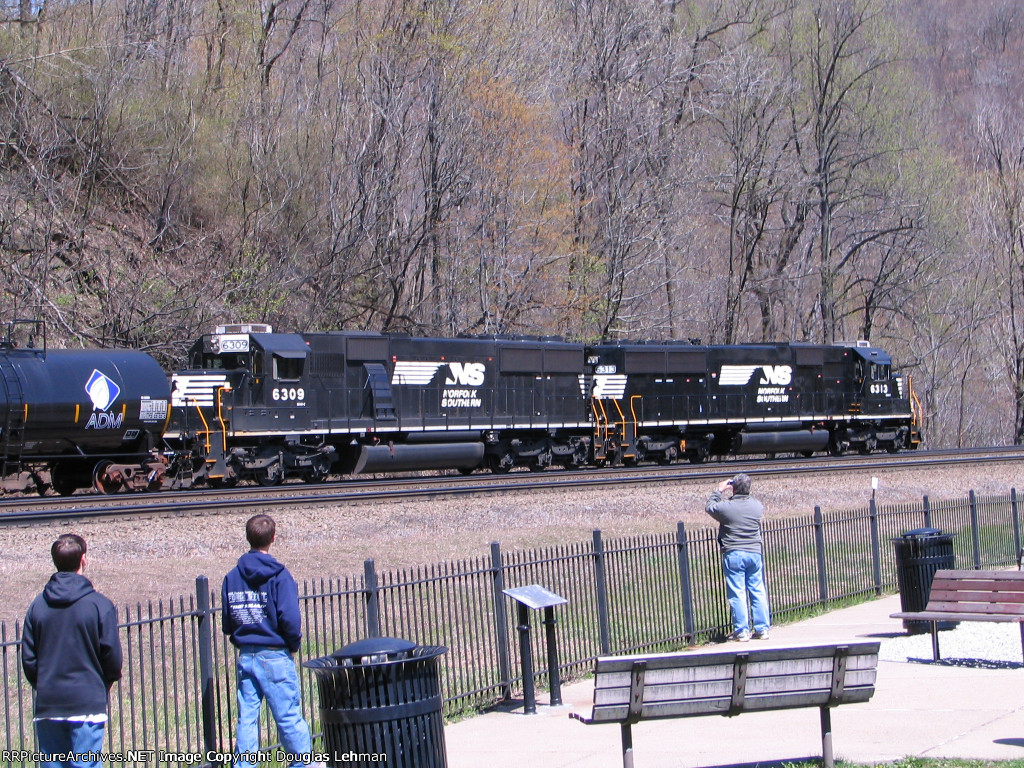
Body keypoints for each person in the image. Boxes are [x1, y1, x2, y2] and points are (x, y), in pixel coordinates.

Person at [21, 534, 123, 768]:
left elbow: (29, 659)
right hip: (87, 704)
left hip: (49, 705)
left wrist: (46, 683)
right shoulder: (99, 605)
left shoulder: (38, 606)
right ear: (83, 560)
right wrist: (105, 682)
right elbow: (111, 656)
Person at [222, 514, 313, 768]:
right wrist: (293, 645)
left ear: (247, 537)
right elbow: (290, 619)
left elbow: (228, 620)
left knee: (247, 718)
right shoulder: (280, 576)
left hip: (246, 655)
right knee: (287, 716)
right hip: (274, 654)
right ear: (273, 538)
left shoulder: (232, 576)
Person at [705, 473, 771, 642]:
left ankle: (741, 630)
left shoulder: (726, 507)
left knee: (738, 592)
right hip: (754, 552)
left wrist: (719, 490)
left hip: (734, 552)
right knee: (757, 590)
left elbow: (710, 507)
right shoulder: (757, 506)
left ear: (733, 488)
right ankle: (762, 629)